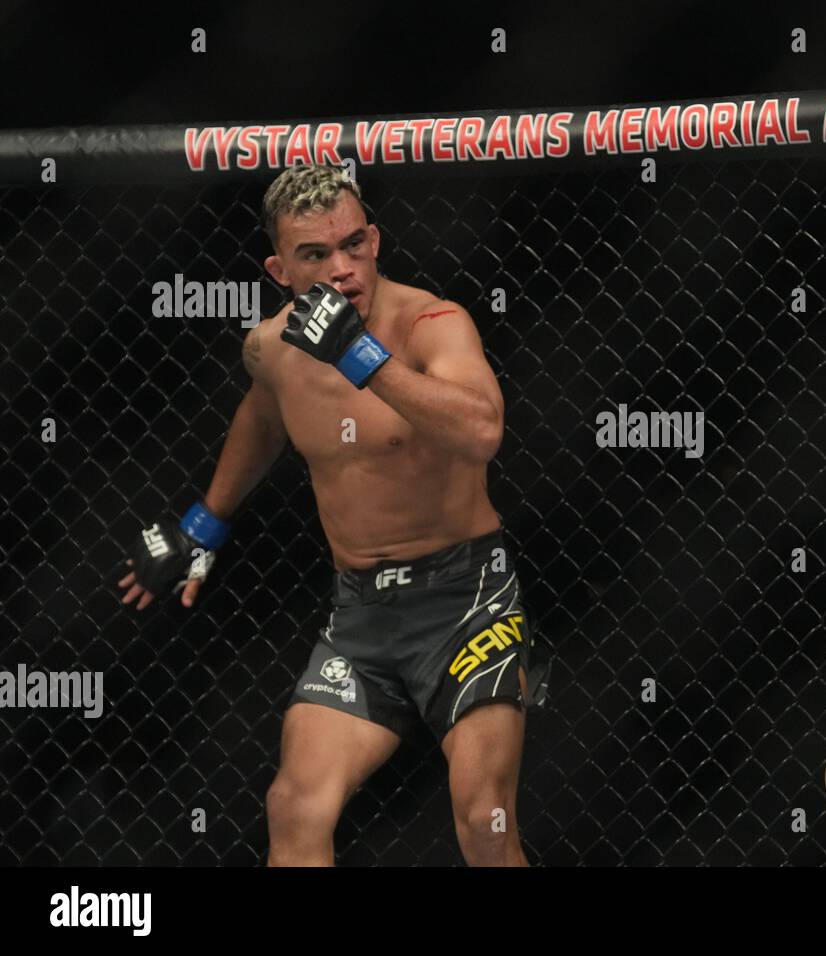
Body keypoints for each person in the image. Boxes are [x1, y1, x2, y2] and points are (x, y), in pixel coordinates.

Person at [118, 163, 536, 866]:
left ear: (375, 240)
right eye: (315, 255)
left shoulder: (433, 322)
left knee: (485, 817)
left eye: (352, 245)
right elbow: (264, 418)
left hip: (466, 603)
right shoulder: (272, 348)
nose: (341, 269)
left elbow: (481, 430)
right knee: (295, 805)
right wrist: (205, 523)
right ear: (279, 268)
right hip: (360, 620)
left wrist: (361, 355)